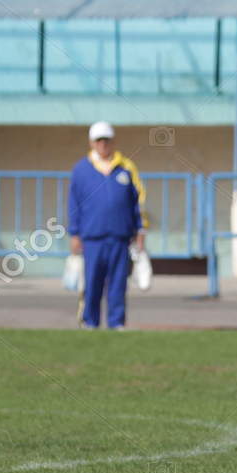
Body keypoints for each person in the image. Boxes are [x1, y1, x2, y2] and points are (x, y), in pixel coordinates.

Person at [68, 121, 147, 330]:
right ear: (92, 142)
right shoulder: (81, 170)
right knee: (91, 283)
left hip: (120, 237)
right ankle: (90, 322)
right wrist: (74, 234)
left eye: (106, 140)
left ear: (113, 141)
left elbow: (137, 202)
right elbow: (73, 203)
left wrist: (140, 230)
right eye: (99, 140)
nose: (103, 144)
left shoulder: (126, 168)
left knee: (118, 284)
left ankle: (116, 323)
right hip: (92, 238)